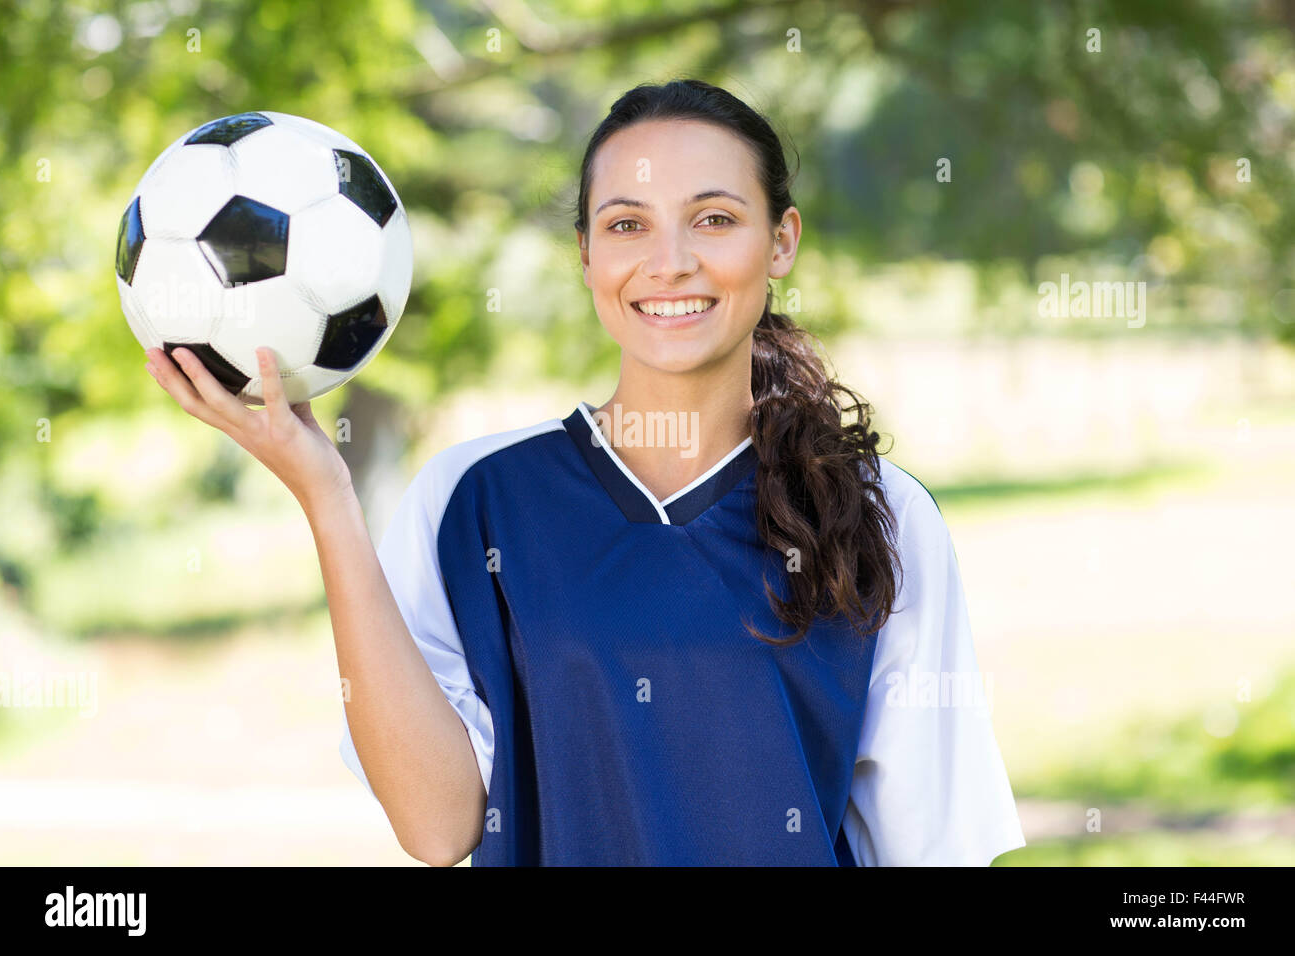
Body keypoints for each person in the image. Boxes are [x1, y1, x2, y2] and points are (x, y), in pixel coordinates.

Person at [143, 77, 1026, 867]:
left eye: (714, 219)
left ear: (781, 240)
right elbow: (438, 827)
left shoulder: (878, 512)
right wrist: (326, 496)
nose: (669, 262)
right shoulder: (474, 501)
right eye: (627, 225)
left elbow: (932, 847)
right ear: (587, 253)